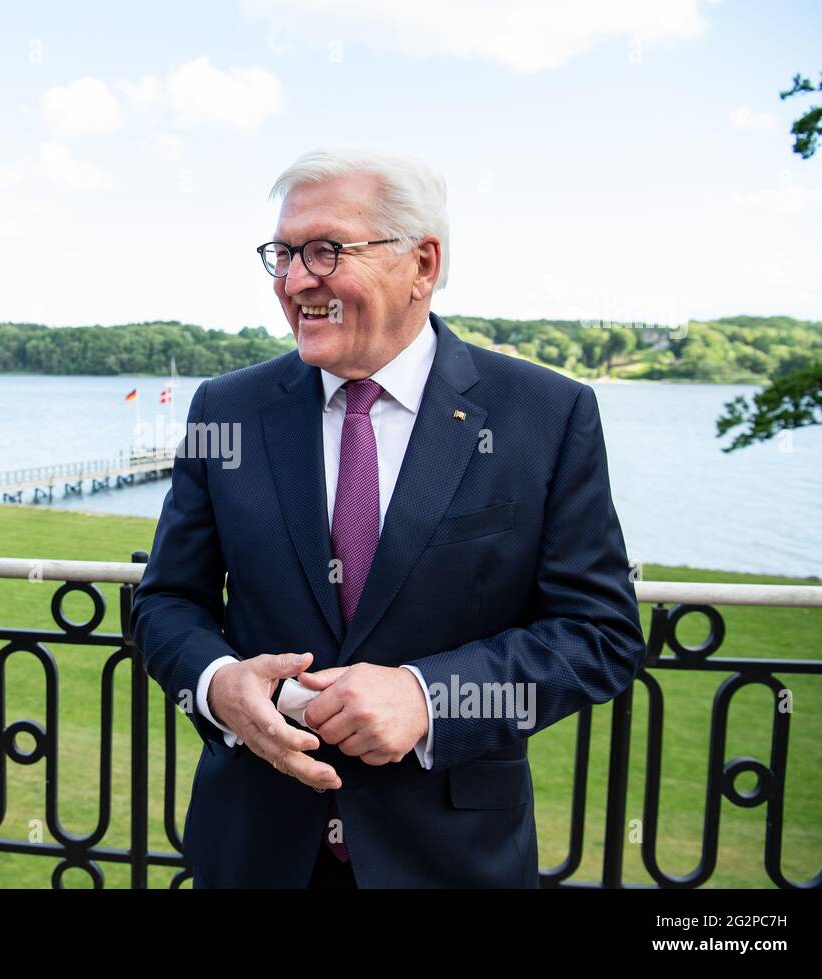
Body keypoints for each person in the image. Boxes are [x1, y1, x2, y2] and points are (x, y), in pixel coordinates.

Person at [128, 146, 646, 888]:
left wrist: (429, 696)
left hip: (449, 860)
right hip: (253, 850)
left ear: (423, 264)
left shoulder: (547, 414)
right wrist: (217, 683)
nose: (295, 279)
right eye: (283, 252)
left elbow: (599, 632)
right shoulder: (227, 409)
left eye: (326, 250)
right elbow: (168, 600)